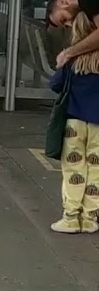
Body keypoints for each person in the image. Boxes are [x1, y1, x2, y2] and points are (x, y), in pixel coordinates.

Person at [47, 14, 99, 234]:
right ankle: (90, 218)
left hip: (74, 123)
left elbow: (55, 85)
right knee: (96, 169)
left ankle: (70, 217)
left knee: (73, 169)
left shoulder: (73, 61)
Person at [46, 0, 99, 68]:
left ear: (63, 2)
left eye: (64, 19)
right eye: (66, 26)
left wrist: (69, 53)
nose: (70, 24)